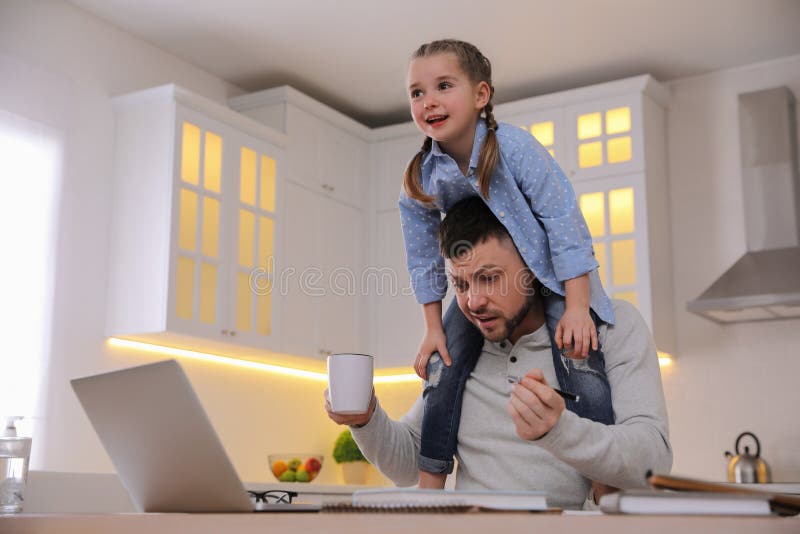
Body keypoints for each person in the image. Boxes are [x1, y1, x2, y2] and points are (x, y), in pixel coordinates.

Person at [325, 197, 672, 508]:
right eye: (460, 284)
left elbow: (653, 459)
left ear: (533, 269)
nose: (473, 302)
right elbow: (408, 463)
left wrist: (561, 430)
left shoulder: (613, 326)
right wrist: (365, 417)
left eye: (489, 278)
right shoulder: (457, 349)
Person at [398, 39, 615, 488]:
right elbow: (422, 257)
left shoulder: (514, 148)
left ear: (481, 95)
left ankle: (603, 486)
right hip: (492, 282)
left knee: (583, 364)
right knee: (443, 371)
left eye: (443, 85)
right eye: (417, 93)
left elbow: (564, 222)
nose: (429, 101)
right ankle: (430, 486)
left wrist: (577, 305)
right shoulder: (422, 175)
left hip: (556, 278)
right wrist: (433, 327)